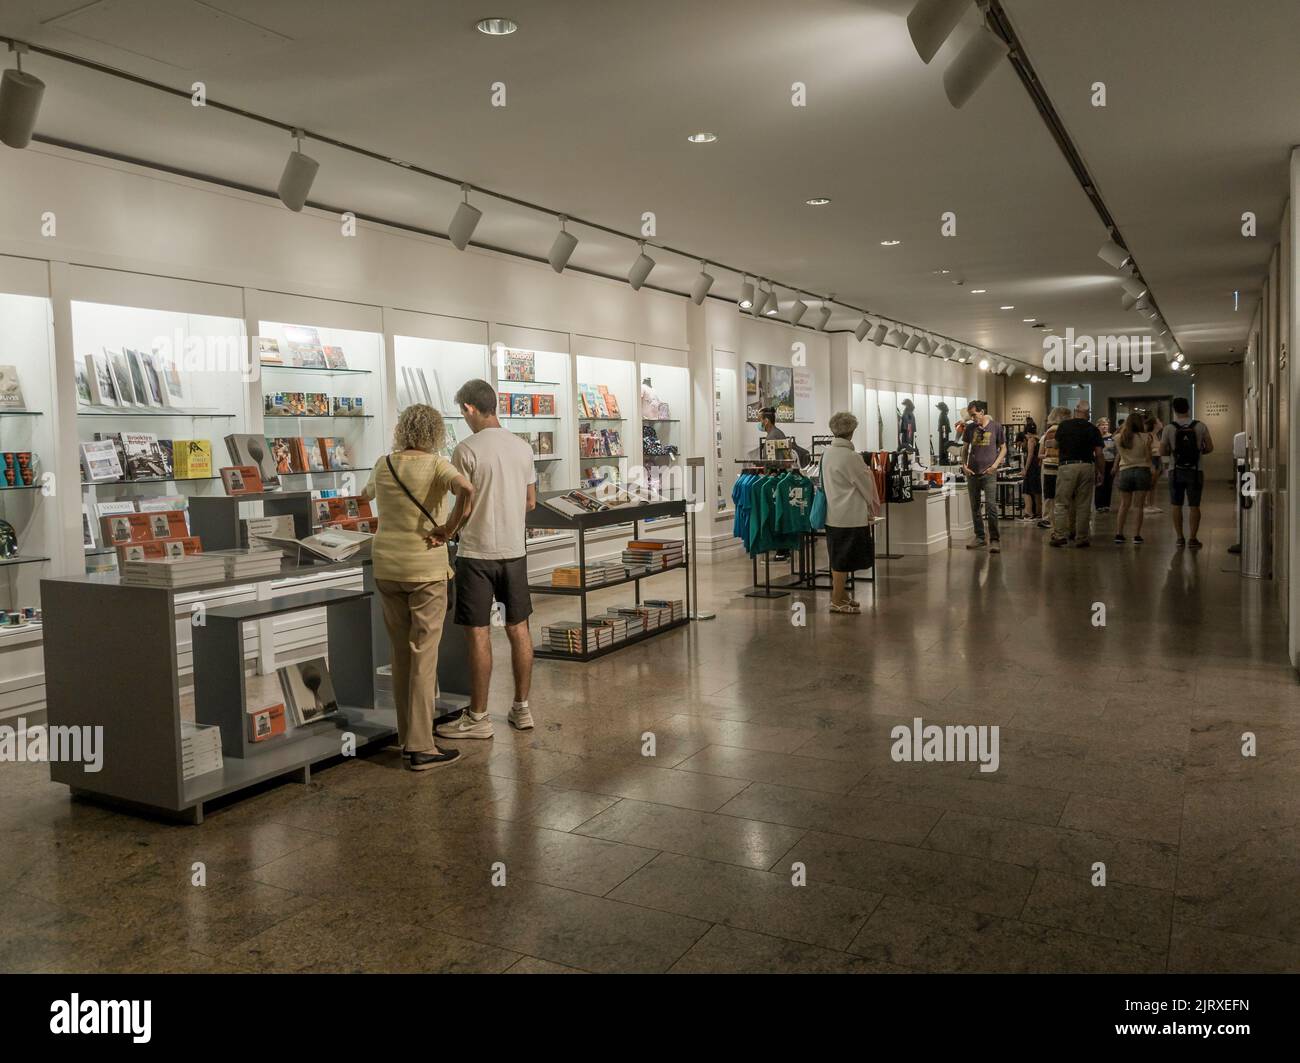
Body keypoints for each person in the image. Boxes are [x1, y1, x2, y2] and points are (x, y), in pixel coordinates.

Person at [363, 404, 476, 771]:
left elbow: (365, 497)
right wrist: (450, 529)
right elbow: (466, 489)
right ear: (435, 433)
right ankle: (422, 746)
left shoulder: (384, 463)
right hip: (425, 569)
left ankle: (405, 735)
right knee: (424, 654)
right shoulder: (437, 464)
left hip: (387, 566)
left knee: (401, 654)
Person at [436, 379, 538, 740]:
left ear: (468, 409)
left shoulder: (465, 449)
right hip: (515, 552)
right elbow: (530, 502)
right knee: (519, 629)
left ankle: (478, 719)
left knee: (478, 633)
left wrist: (445, 531)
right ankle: (522, 709)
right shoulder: (523, 448)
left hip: (476, 554)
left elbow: (461, 507)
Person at [821, 411, 880, 612]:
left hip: (833, 513)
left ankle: (842, 595)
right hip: (850, 515)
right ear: (852, 431)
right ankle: (837, 600)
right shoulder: (851, 457)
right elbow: (866, 487)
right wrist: (872, 506)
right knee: (843, 560)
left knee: (837, 557)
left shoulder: (827, 454)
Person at [1161, 396, 1214, 548]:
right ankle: (1193, 538)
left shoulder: (1169, 428)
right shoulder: (1200, 426)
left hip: (1175, 471)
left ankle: (1179, 538)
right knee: (1194, 505)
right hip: (1196, 471)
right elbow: (1210, 447)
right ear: (1188, 408)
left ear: (1174, 410)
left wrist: (1174, 452)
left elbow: (1162, 451)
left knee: (1176, 505)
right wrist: (1196, 453)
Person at [1050, 401, 1104, 548]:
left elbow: (1055, 445)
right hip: (1087, 466)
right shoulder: (1093, 429)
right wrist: (1101, 472)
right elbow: (1099, 454)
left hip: (1067, 466)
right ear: (1088, 413)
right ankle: (1081, 537)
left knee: (1062, 503)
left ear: (1075, 411)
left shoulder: (1064, 426)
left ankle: (1060, 535)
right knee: (1083, 504)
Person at [961, 401, 1007, 552]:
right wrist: (964, 465)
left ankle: (994, 539)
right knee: (975, 507)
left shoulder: (996, 427)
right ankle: (980, 537)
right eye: (971, 415)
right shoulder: (970, 428)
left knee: (991, 507)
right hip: (973, 473)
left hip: (988, 473)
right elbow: (965, 447)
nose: (972, 418)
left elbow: (1003, 448)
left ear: (982, 412)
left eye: (974, 415)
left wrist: (995, 465)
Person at [1111, 412, 1153, 544]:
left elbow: (1115, 440)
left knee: (1124, 505)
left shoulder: (1119, 437)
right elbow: (1148, 458)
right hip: (1142, 470)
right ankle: (1136, 535)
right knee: (1139, 506)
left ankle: (1119, 533)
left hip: (1125, 471)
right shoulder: (1146, 437)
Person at [1037, 407, 1067, 529]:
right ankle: (1056, 520)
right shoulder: (1062, 432)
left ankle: (1048, 518)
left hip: (1049, 467)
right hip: (1060, 466)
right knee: (1059, 496)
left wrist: (1047, 455)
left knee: (1049, 495)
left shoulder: (1048, 434)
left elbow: (1040, 454)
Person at [1020, 424, 1042, 521]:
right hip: (1038, 467)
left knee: (1026, 490)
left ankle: (1029, 513)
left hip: (1032, 467)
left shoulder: (1031, 440)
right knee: (1037, 490)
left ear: (1027, 432)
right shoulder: (1039, 439)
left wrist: (1025, 468)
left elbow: (1030, 455)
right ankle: (1039, 512)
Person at [1095, 418, 1117, 512]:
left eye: (1106, 424)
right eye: (1102, 424)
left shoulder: (1112, 437)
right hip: (1099, 463)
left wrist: (1115, 465)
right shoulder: (1096, 437)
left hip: (1110, 462)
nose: (1105, 426)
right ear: (1098, 426)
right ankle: (1099, 505)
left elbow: (1116, 452)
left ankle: (1106, 504)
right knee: (1100, 483)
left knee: (1108, 484)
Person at [1146, 412, 1165, 513]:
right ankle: (1148, 505)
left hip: (1157, 459)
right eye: (1159, 421)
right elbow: (1147, 450)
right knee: (1150, 484)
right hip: (1152, 460)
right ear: (1154, 424)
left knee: (1154, 484)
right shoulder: (1149, 436)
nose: (1161, 423)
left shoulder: (1156, 435)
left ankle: (1152, 504)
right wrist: (1151, 465)